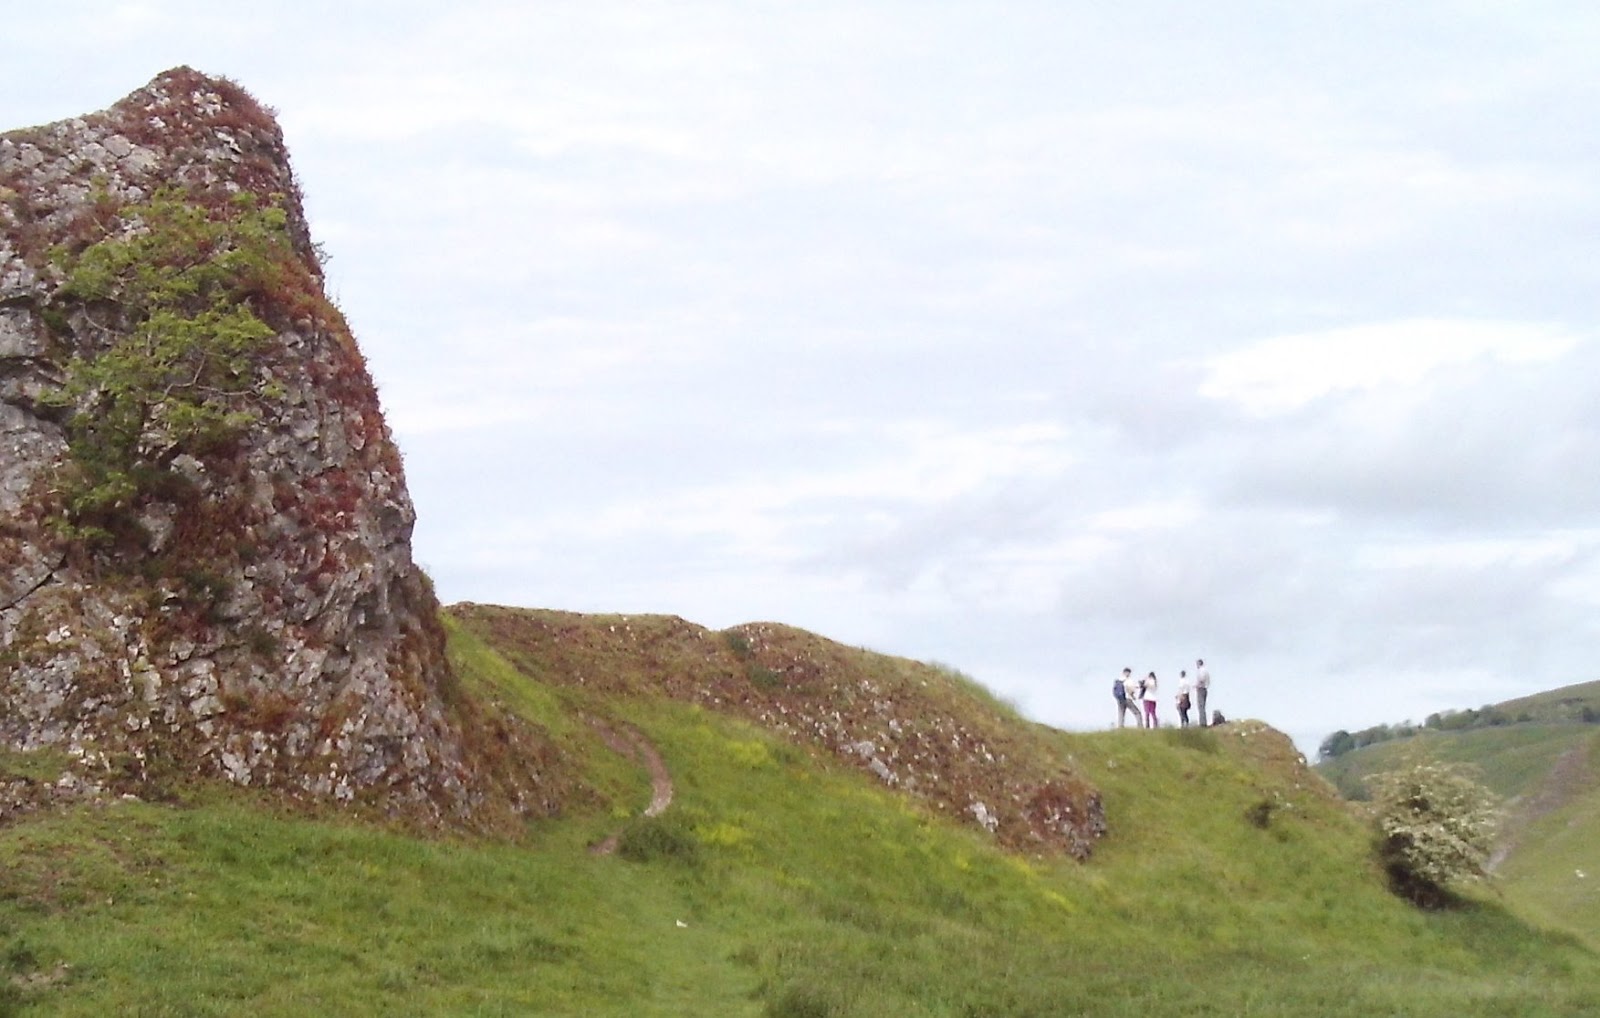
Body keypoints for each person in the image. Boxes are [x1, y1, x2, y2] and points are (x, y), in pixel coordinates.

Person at [1194, 659, 1210, 727]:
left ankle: (1202, 723)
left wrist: (1197, 685)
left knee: (1201, 706)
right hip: (1205, 689)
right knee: (1202, 706)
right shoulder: (1206, 671)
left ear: (1199, 664)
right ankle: (1203, 721)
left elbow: (1201, 679)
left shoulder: (1201, 670)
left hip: (1201, 689)